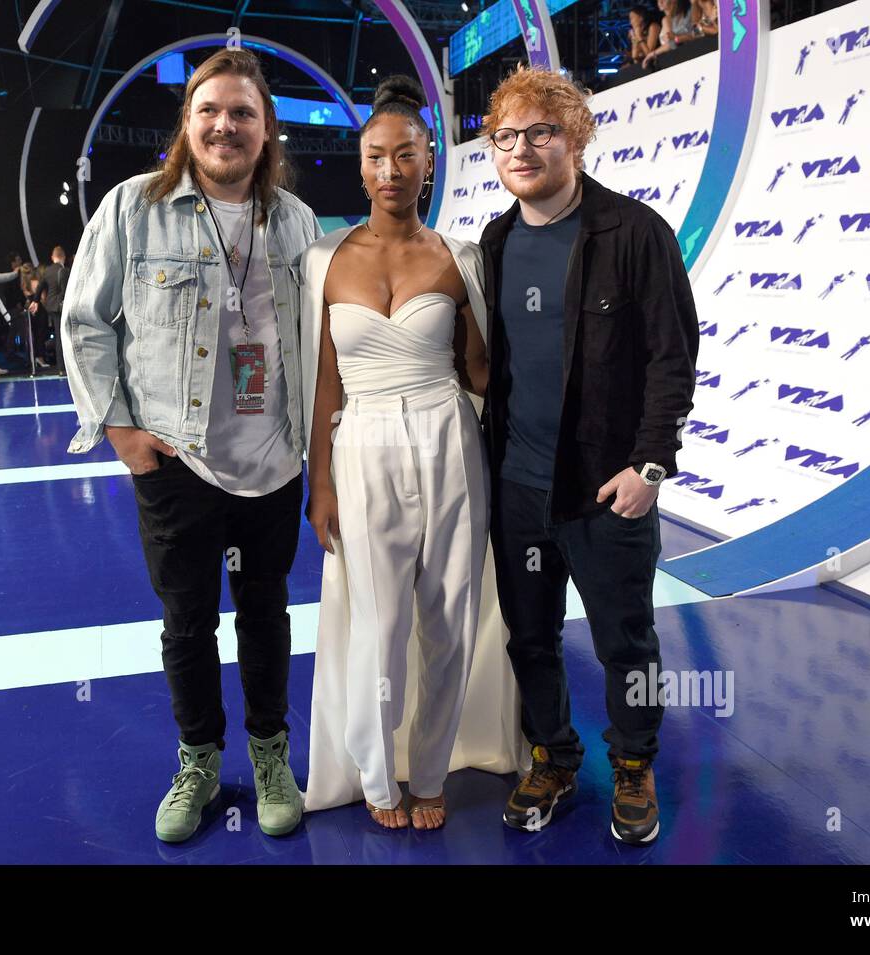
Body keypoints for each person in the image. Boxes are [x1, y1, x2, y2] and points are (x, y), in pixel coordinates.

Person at [62, 47, 322, 844]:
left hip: (272, 459)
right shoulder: (132, 207)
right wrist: (120, 431)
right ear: (187, 122)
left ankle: (271, 753)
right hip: (174, 458)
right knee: (185, 621)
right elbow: (85, 320)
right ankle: (199, 758)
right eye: (210, 110)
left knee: (267, 613)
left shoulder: (296, 220)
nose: (225, 125)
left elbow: (317, 335)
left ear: (266, 129)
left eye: (243, 112)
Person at [478, 65, 698, 844]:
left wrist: (649, 467)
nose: (522, 148)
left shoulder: (635, 234)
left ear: (575, 137)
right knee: (530, 637)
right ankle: (554, 755)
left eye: (540, 132)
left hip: (606, 490)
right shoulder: (497, 241)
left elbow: (673, 359)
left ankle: (634, 764)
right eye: (506, 136)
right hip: (517, 487)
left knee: (624, 639)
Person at [300, 76, 526, 830]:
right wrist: (319, 485)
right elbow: (324, 385)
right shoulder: (323, 260)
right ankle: (373, 769)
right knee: (379, 624)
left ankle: (429, 770)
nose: (390, 171)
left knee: (449, 616)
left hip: (447, 440)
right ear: (359, 164)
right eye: (375, 157)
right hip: (361, 448)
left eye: (406, 155)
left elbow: (483, 372)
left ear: (430, 161)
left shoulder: (463, 258)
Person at [38, 245, 69, 374]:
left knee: (58, 336)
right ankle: (64, 367)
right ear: (64, 257)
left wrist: (35, 301)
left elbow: (40, 287)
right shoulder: (64, 270)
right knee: (64, 337)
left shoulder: (47, 271)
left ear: (52, 257)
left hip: (50, 306)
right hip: (61, 306)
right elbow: (66, 290)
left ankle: (61, 367)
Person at [643, 0, 698, 68]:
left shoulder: (688, 13)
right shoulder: (666, 19)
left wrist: (652, 54)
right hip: (675, 60)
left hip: (693, 54)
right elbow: (671, 43)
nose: (660, 2)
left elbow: (671, 44)